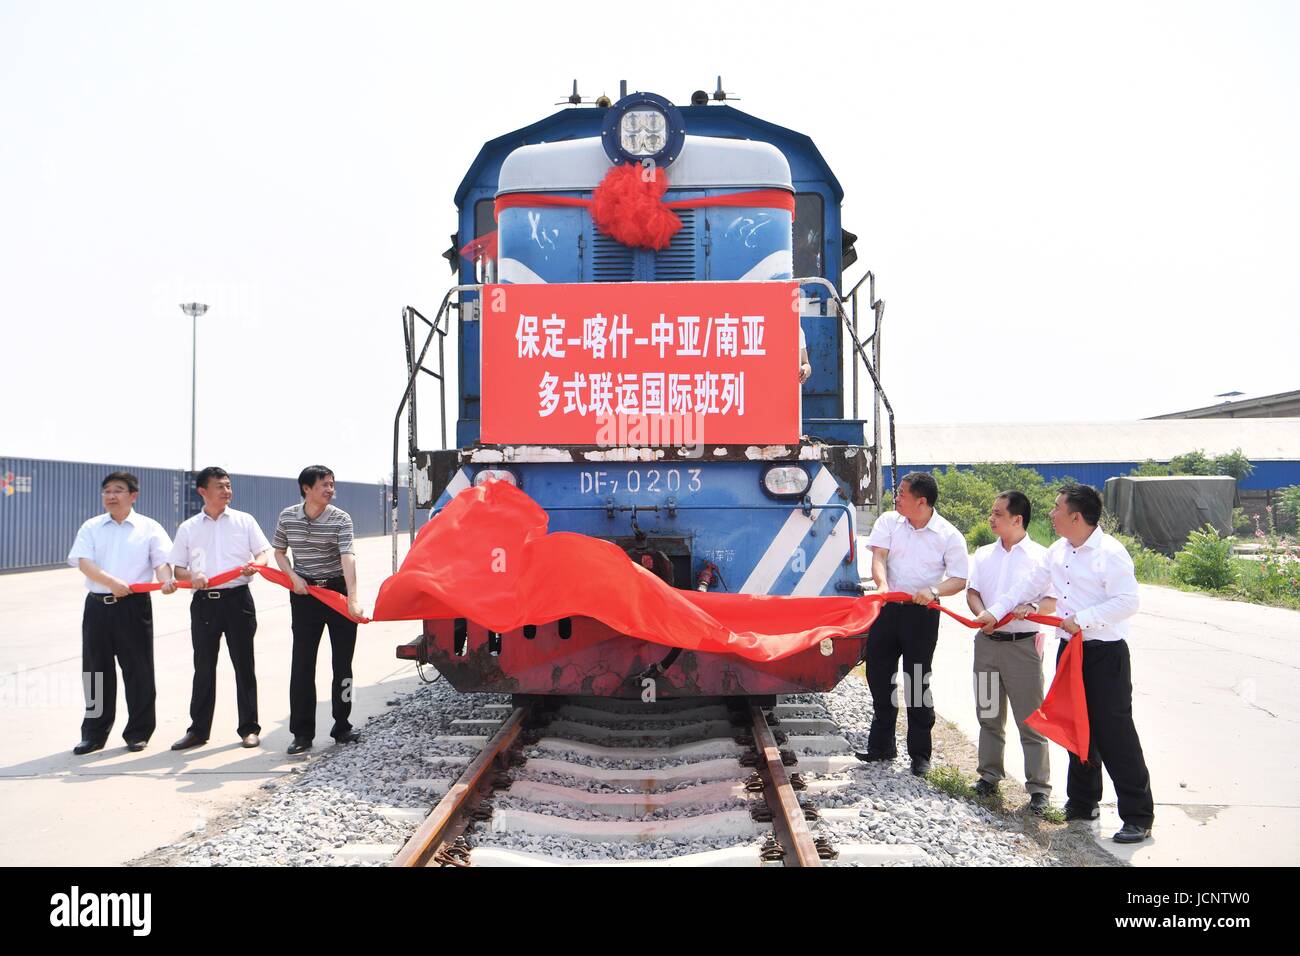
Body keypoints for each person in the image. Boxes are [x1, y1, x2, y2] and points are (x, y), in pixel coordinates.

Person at [975, 483, 1154, 844]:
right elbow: (1025, 588)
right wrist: (993, 613)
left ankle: (1137, 815)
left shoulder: (1110, 553)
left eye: (1057, 508)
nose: (1051, 513)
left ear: (1076, 516)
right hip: (1070, 650)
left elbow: (1128, 602)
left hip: (1104, 652)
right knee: (1076, 726)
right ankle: (1083, 802)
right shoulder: (1057, 551)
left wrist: (1083, 618)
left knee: (1114, 733)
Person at [857, 471, 969, 775]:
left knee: (917, 681)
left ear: (921, 501)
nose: (897, 498)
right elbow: (879, 556)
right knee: (879, 676)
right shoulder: (889, 522)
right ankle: (881, 746)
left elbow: (959, 579)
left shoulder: (948, 535)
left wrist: (934, 591)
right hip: (888, 609)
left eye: (902, 493)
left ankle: (920, 754)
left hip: (923, 614)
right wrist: (881, 585)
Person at [66, 471, 175, 754]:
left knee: (138, 670)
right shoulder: (91, 526)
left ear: (133, 496)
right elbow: (83, 562)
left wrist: (165, 580)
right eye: (107, 491)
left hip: (133, 606)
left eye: (118, 490)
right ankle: (93, 733)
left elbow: (162, 561)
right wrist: (112, 583)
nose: (111, 496)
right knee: (95, 672)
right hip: (98, 606)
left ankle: (138, 732)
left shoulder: (148, 527)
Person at [168, 467, 273, 751]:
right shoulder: (189, 528)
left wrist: (258, 565)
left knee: (244, 665)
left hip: (238, 601)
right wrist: (193, 577)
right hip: (204, 604)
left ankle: (249, 729)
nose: (227, 491)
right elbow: (177, 569)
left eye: (228, 486)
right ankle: (198, 731)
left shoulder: (244, 521)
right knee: (203, 667)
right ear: (203, 490)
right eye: (220, 486)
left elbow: (263, 552)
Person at [965, 491, 1055, 813]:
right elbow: (972, 591)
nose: (991, 518)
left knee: (1030, 720)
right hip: (987, 646)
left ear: (1017, 519)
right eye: (991, 512)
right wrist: (982, 615)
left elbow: (1051, 601)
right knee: (988, 714)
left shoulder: (1040, 558)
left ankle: (1039, 790)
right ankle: (988, 777)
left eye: (997, 513)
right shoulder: (984, 554)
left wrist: (1031, 607)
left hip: (1022, 650)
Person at [274, 465, 365, 755]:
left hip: (336, 592)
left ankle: (343, 726)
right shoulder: (288, 516)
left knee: (343, 663)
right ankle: (301, 733)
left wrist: (352, 599)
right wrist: (293, 577)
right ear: (306, 488)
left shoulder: (340, 519)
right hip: (304, 595)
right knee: (302, 664)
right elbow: (279, 551)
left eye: (331, 484)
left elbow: (348, 558)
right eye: (324, 485)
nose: (330, 490)